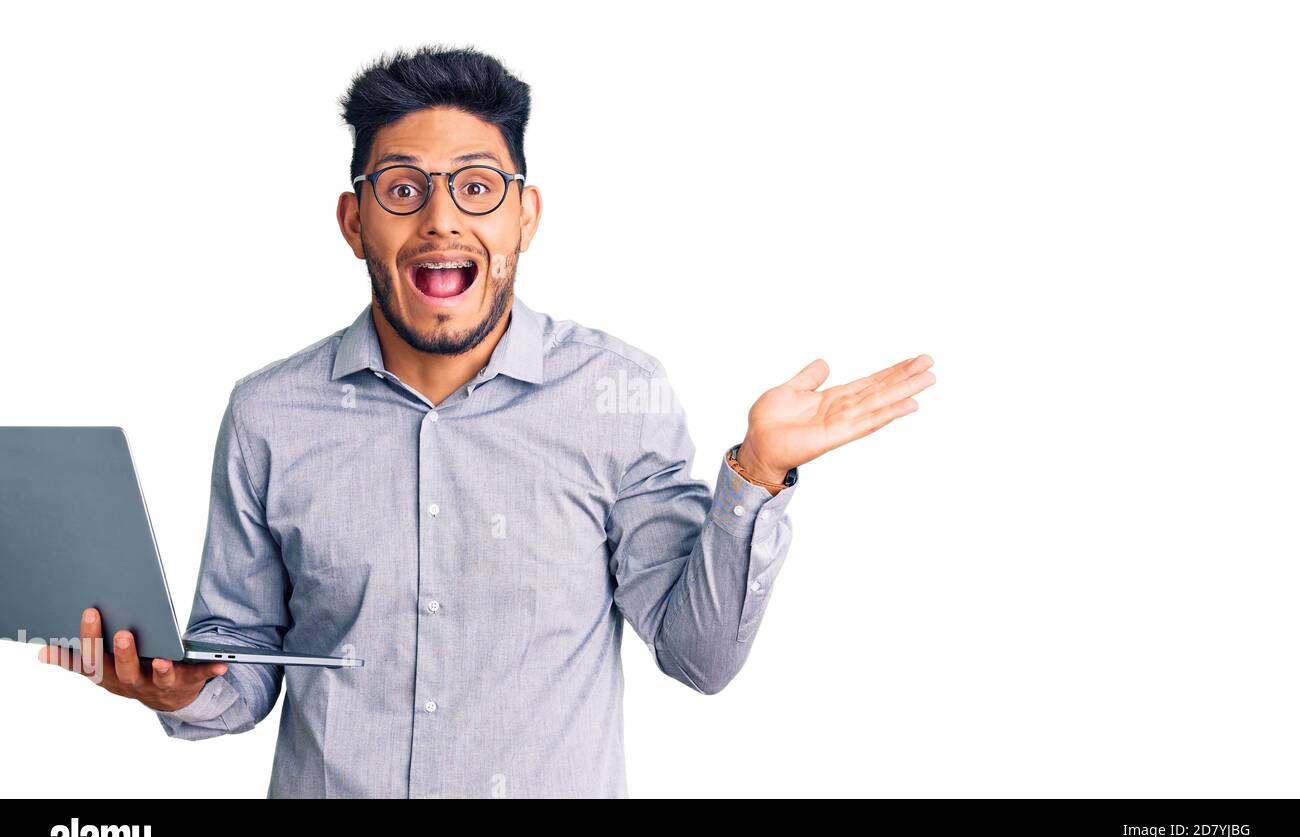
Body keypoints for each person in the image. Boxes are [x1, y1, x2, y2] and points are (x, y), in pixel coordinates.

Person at [37, 44, 935, 798]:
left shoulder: (617, 396)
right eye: (402, 190)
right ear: (353, 222)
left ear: (524, 216)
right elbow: (243, 672)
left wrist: (757, 473)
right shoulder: (269, 412)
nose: (440, 221)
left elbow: (698, 657)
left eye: (476, 187)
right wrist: (177, 689)